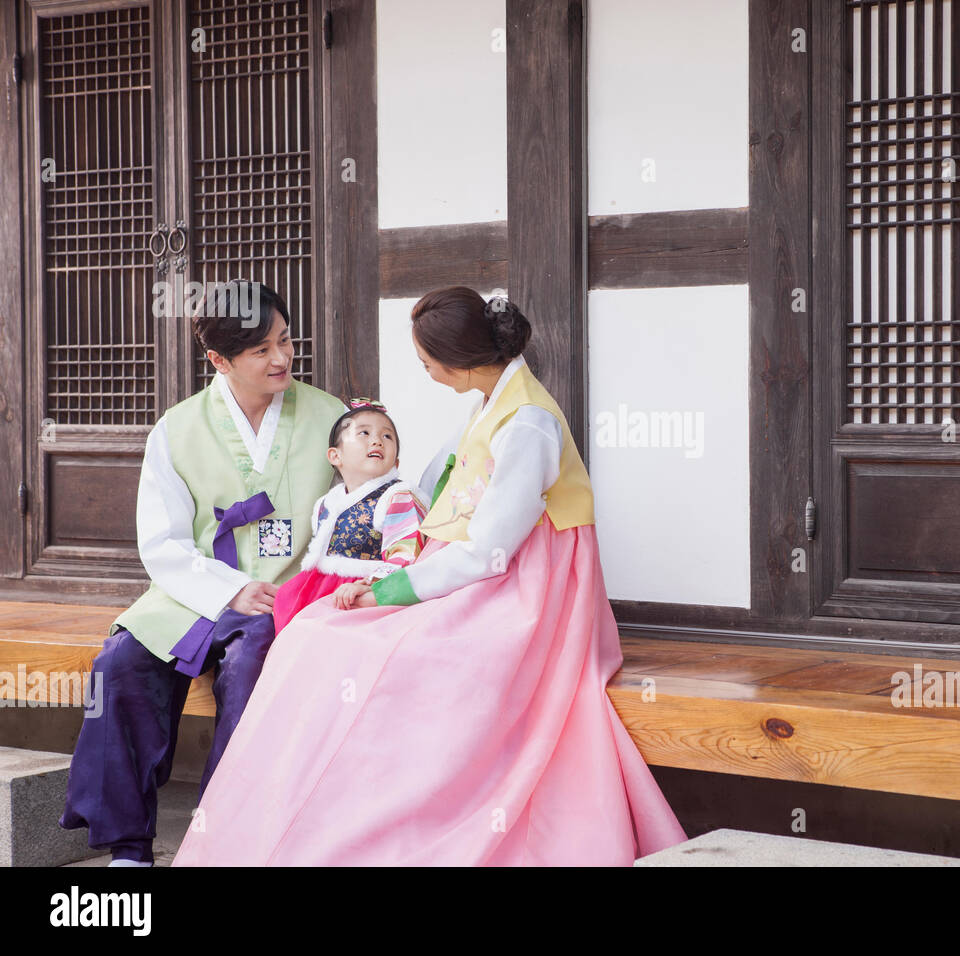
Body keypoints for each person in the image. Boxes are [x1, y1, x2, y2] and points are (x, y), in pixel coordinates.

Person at [173, 286, 687, 865]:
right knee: (314, 634)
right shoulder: (494, 401)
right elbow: (441, 484)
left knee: (373, 652)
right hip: (478, 571)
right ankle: (305, 818)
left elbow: (488, 550)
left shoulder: (527, 425)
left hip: (527, 591)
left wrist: (389, 590)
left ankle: (380, 823)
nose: (426, 372)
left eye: (426, 363)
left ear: (459, 363)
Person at [59, 280, 347, 866]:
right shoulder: (177, 428)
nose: (282, 359)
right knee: (117, 664)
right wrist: (230, 589)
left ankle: (229, 836)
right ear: (218, 360)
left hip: (287, 593)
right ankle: (130, 846)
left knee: (249, 666)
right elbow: (160, 542)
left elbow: (359, 510)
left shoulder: (332, 418)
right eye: (262, 350)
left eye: (286, 341)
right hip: (195, 590)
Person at [272, 401, 430, 633]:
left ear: (395, 462)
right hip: (322, 588)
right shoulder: (326, 504)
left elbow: (406, 554)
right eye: (364, 433)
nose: (376, 440)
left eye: (387, 437)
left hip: (362, 595)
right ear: (335, 456)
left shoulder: (398, 496)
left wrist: (370, 585)